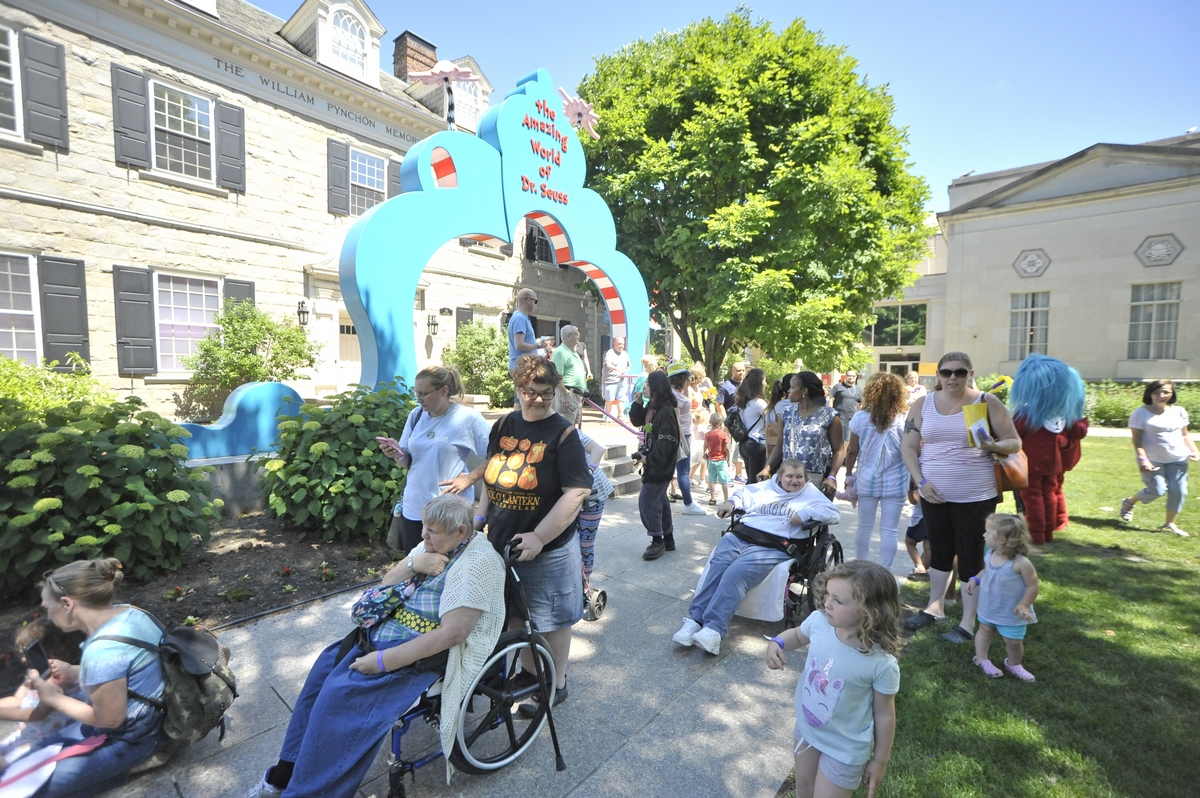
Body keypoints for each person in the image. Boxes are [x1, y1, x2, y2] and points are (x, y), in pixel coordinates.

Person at [249, 494, 505, 797]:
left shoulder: (478, 563)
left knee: (336, 700)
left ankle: (307, 792)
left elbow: (452, 635)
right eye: (424, 527)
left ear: (460, 532)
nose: (423, 535)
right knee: (321, 674)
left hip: (416, 657)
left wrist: (383, 661)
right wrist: (415, 562)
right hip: (379, 635)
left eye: (431, 531)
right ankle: (284, 773)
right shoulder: (432, 546)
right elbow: (387, 582)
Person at [447, 355, 591, 714]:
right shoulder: (505, 424)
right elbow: (492, 475)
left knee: (551, 620)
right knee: (514, 613)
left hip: (548, 549)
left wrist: (540, 537)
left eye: (546, 392)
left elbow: (577, 492)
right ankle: (530, 673)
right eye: (530, 392)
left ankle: (555, 684)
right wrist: (480, 517)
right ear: (518, 389)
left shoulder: (564, 434)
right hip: (503, 541)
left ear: (555, 391)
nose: (538, 399)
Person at [900, 352, 1022, 646]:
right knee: (939, 550)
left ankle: (968, 622)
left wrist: (993, 445)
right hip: (933, 494)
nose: (952, 377)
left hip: (976, 496)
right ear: (938, 375)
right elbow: (908, 446)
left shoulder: (986, 402)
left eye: (959, 372)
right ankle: (935, 608)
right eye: (946, 372)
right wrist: (921, 482)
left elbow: (1014, 442)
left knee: (970, 554)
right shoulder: (923, 404)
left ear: (970, 373)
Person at [21, 559, 168, 796]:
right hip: (159, 719)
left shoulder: (101, 651)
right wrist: (72, 671)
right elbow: (123, 670)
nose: (48, 615)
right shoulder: (131, 613)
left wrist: (53, 698)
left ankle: (128, 767)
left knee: (24, 788)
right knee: (31, 756)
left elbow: (109, 719)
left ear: (67, 603)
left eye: (48, 607)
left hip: (135, 740)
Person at [673, 460, 840, 655]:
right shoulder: (764, 487)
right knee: (718, 566)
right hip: (742, 534)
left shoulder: (811, 494)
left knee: (736, 573)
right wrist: (730, 503)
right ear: (779, 477)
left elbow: (833, 513)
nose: (794, 480)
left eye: (799, 477)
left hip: (776, 544)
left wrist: (805, 513)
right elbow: (742, 494)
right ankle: (695, 620)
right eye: (789, 476)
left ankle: (714, 630)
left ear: (806, 478)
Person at [765, 561, 900, 798]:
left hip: (844, 750)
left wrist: (879, 761)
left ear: (870, 611)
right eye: (828, 594)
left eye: (838, 600)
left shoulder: (880, 664)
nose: (827, 603)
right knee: (804, 790)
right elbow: (797, 635)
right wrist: (778, 643)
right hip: (807, 730)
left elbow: (884, 715)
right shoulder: (819, 622)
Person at [378, 366, 491, 552]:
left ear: (444, 391)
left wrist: (470, 478)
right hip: (414, 508)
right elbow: (407, 462)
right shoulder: (416, 415)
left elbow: (499, 454)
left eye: (424, 394)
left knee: (446, 566)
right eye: (417, 393)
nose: (419, 399)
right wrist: (396, 452)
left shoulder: (467, 418)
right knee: (417, 564)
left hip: (448, 512)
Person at [1008, 354, 1089, 544]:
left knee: (1032, 496)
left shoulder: (1026, 415)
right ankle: (1053, 527)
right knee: (1051, 493)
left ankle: (1037, 533)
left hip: (1030, 465)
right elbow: (1077, 432)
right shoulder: (1063, 415)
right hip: (1054, 463)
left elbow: (1013, 433)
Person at [0, 619, 87, 770]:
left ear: (56, 652)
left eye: (28, 653)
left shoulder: (60, 681)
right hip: (27, 735)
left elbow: (38, 713)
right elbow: (17, 700)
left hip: (45, 741)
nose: (23, 659)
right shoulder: (37, 673)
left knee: (6, 767)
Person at [1117, 379, 1198, 537]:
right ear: (1150, 394)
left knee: (1179, 491)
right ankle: (1129, 502)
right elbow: (1137, 440)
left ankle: (1169, 524)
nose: (1161, 395)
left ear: (1172, 394)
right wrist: (1143, 459)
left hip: (1178, 458)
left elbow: (1185, 434)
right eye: (1157, 392)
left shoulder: (1179, 411)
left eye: (1166, 392)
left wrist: (1194, 450)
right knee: (1158, 490)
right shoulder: (1140, 413)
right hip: (1153, 459)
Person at [843, 373, 909, 568]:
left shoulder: (860, 418)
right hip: (897, 480)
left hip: (867, 479)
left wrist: (848, 476)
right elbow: (913, 449)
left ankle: (861, 567)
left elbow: (852, 450)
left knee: (864, 527)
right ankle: (886, 570)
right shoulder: (904, 419)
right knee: (890, 530)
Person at [965, 514, 1039, 682]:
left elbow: (1033, 586)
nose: (984, 535)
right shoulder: (990, 554)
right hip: (989, 605)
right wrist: (975, 579)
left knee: (1014, 642)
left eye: (987, 532)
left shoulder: (1021, 563)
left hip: (1011, 611)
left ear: (1001, 539)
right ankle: (981, 659)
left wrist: (1024, 604)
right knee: (984, 631)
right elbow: (987, 571)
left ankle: (1014, 664)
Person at [630, 370, 683, 560]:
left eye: (647, 384)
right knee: (660, 500)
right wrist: (637, 404)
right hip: (654, 463)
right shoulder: (653, 407)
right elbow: (637, 421)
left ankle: (657, 540)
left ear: (656, 388)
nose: (644, 387)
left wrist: (649, 459)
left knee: (647, 500)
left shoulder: (665, 411)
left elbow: (667, 442)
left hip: (661, 465)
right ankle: (668, 539)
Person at [765, 372, 844, 500]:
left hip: (816, 481)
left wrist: (832, 477)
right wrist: (767, 468)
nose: (789, 391)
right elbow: (779, 446)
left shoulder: (830, 415)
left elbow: (839, 450)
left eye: (792, 387)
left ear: (804, 391)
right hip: (788, 480)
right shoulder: (786, 413)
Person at [575, 430, 614, 586]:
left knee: (585, 543)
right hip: (569, 495)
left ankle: (585, 585)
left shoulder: (567, 430)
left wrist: (588, 471)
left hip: (593, 493)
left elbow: (598, 449)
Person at [667, 361, 707, 515]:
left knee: (681, 470)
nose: (689, 380)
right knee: (683, 471)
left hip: (683, 433)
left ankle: (687, 501)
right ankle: (688, 504)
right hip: (681, 435)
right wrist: (683, 441)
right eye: (686, 377)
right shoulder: (675, 396)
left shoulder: (675, 393)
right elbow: (675, 419)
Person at [735, 368, 769, 483]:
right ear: (759, 383)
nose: (765, 383)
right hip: (756, 443)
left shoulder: (744, 402)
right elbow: (771, 420)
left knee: (751, 480)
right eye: (764, 380)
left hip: (745, 443)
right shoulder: (759, 403)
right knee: (755, 481)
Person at [551, 325, 588, 426]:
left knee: (572, 427)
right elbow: (557, 376)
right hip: (567, 394)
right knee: (565, 427)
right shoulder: (560, 352)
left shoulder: (573, 352)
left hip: (576, 396)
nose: (579, 335)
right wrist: (565, 395)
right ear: (568, 336)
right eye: (576, 334)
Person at [717, 361, 748, 481]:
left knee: (740, 448)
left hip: (743, 420)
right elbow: (719, 404)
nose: (741, 373)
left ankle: (738, 475)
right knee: (726, 448)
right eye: (738, 370)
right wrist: (725, 421)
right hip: (730, 420)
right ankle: (724, 475)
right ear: (732, 371)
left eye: (743, 370)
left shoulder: (746, 385)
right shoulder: (726, 386)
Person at [764, 373, 796, 468]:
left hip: (774, 451)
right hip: (793, 452)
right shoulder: (797, 406)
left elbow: (767, 429)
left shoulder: (773, 406)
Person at [506, 288, 541, 373]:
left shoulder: (522, 317)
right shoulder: (520, 318)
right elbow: (519, 345)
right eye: (535, 301)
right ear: (528, 300)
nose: (535, 305)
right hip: (522, 368)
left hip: (524, 367)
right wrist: (539, 345)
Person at [829, 370, 862, 456]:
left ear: (855, 377)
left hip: (852, 417)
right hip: (840, 416)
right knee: (839, 438)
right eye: (849, 375)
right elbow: (831, 399)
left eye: (853, 376)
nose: (851, 377)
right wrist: (830, 412)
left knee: (848, 439)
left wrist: (860, 413)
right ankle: (839, 456)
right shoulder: (838, 387)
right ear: (845, 376)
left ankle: (844, 457)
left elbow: (861, 403)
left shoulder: (858, 389)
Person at [704, 412, 732, 505]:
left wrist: (705, 454)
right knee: (724, 481)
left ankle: (712, 498)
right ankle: (726, 499)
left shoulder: (707, 435)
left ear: (710, 422)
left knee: (712, 480)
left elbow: (705, 447)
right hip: (721, 460)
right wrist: (729, 459)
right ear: (721, 424)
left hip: (711, 460)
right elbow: (727, 448)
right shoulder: (723, 434)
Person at [903, 484, 930, 579]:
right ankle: (926, 568)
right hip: (934, 518)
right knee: (928, 546)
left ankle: (919, 567)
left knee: (909, 542)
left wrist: (910, 489)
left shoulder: (921, 483)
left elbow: (914, 500)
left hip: (919, 520)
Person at [601, 337, 631, 420]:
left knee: (621, 399)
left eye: (622, 344)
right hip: (610, 380)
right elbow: (608, 364)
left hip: (622, 379)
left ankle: (620, 416)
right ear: (615, 343)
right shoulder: (610, 353)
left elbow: (628, 366)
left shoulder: (625, 354)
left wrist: (625, 371)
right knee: (609, 399)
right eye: (619, 344)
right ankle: (608, 416)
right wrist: (618, 369)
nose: (621, 346)